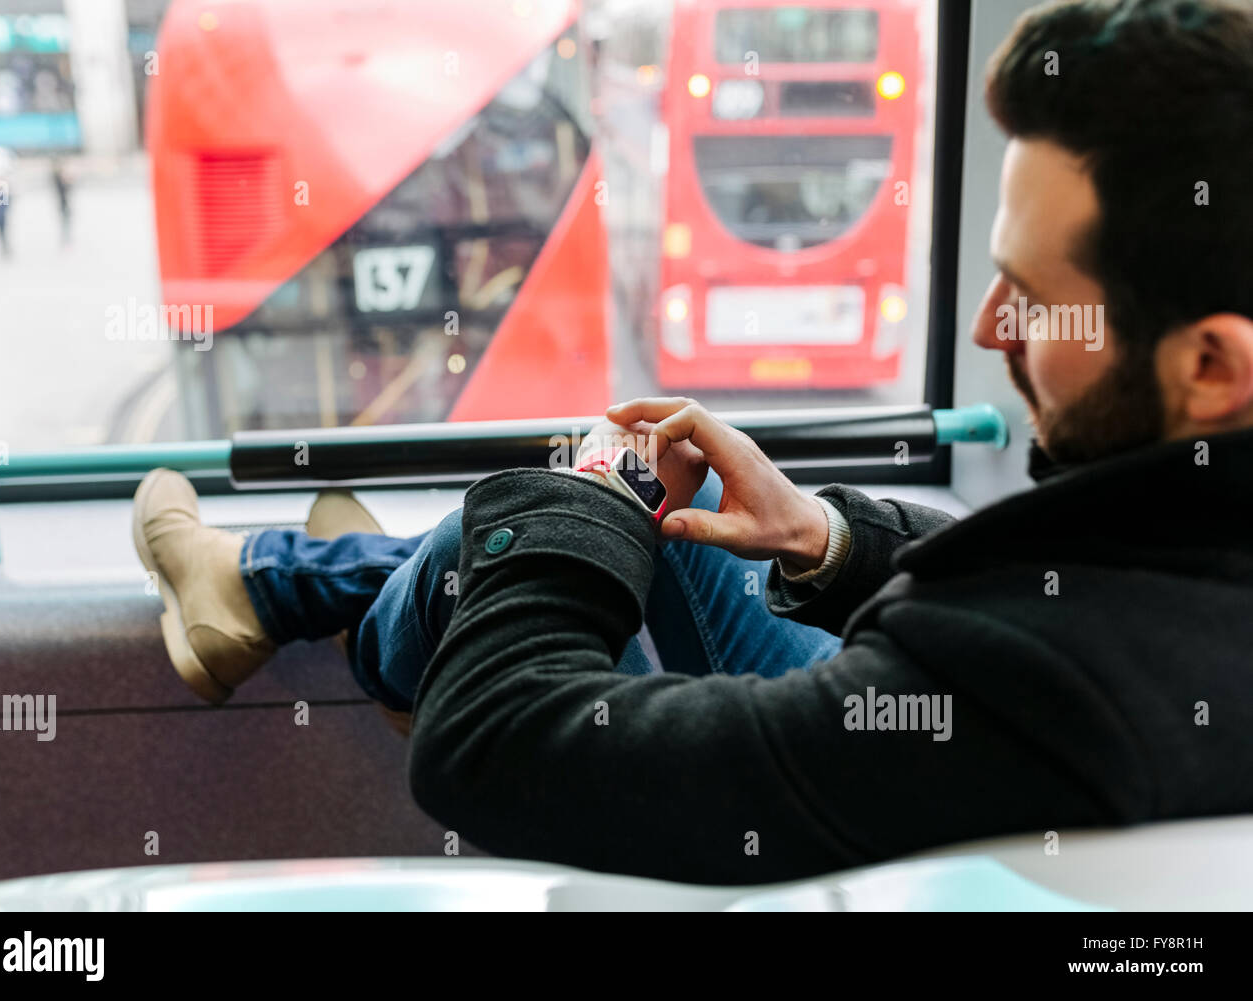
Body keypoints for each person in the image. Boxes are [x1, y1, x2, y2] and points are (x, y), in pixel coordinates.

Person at [133, 0, 1253, 885]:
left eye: (1031, 296)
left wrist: (585, 501)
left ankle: (298, 597)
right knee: (657, 519)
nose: (982, 327)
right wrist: (825, 536)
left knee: (565, 505)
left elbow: (494, 746)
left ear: (1210, 367)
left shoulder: (1035, 693)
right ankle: (281, 583)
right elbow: (1099, 571)